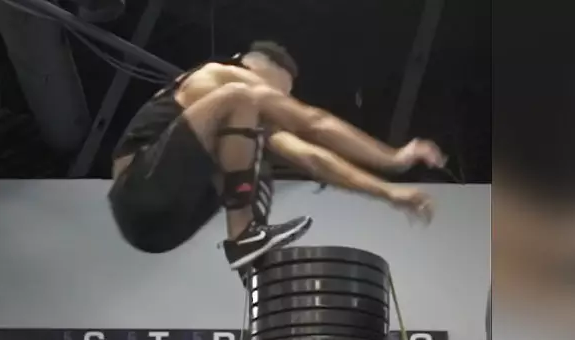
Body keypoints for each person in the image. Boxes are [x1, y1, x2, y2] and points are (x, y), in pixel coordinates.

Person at [109, 40, 447, 271]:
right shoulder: (216, 78)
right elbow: (314, 122)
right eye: (278, 91)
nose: (279, 101)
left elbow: (312, 158)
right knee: (242, 98)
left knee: (258, 159)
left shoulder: (238, 124)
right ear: (252, 67)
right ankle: (243, 236)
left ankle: (253, 259)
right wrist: (394, 158)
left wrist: (388, 192)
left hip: (164, 231)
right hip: (138, 195)